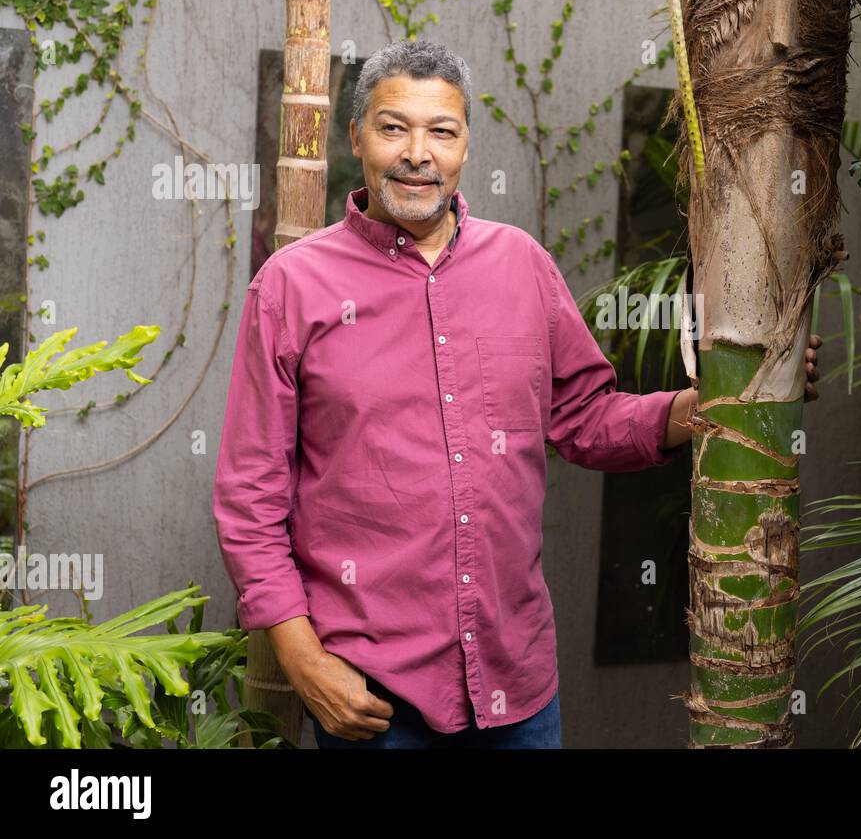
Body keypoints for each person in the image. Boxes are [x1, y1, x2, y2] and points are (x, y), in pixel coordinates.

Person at [212, 40, 823, 749]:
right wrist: (301, 656)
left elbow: (586, 421)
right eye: (393, 127)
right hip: (373, 697)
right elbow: (249, 495)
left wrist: (712, 403)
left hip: (518, 688)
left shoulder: (521, 266)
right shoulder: (293, 286)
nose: (418, 152)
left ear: (465, 142)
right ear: (357, 138)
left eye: (441, 131)